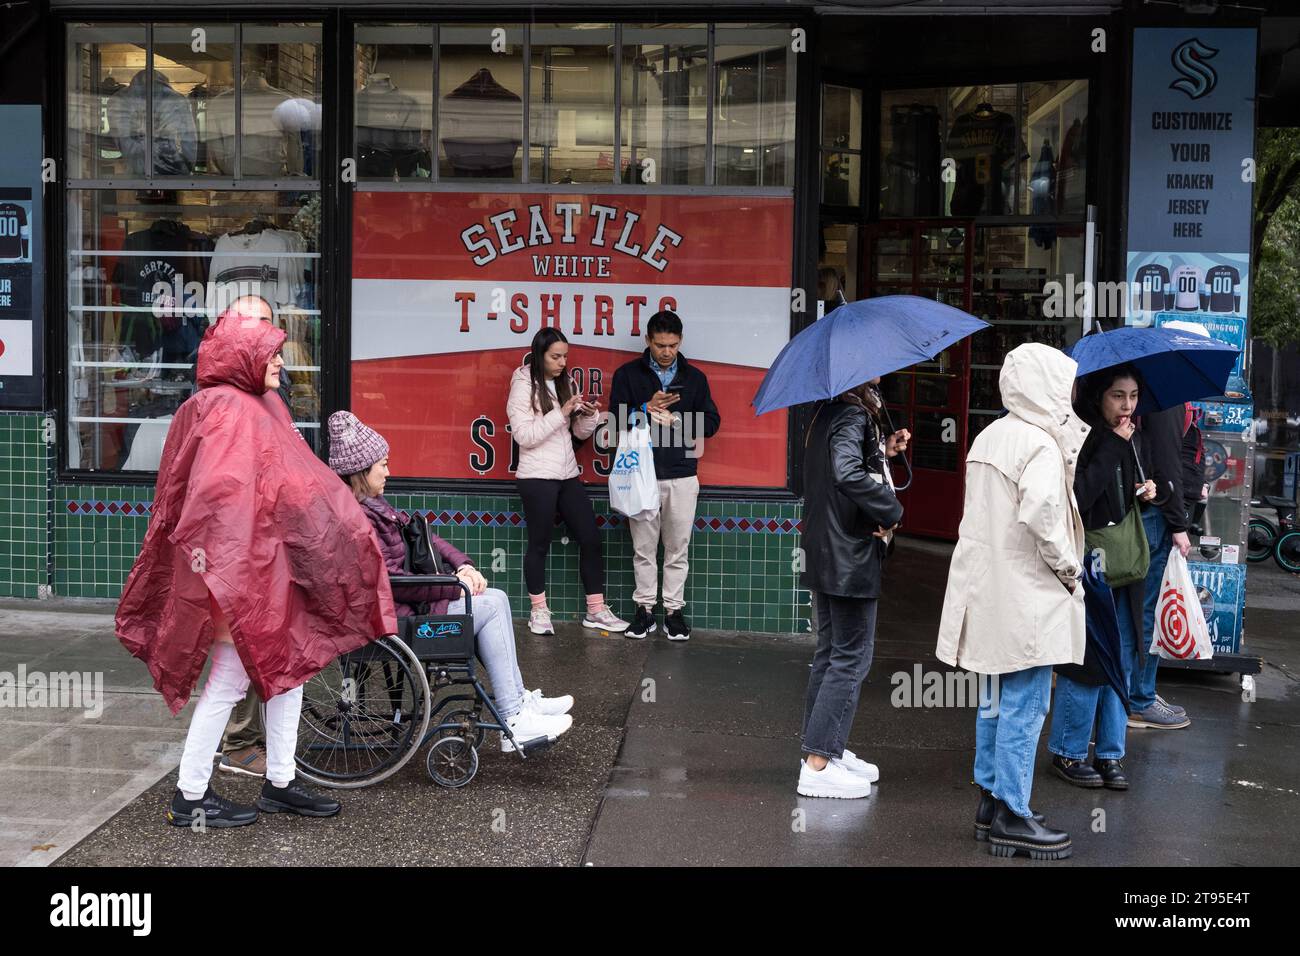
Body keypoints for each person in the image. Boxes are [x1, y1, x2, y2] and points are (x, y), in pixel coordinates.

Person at [116, 298, 395, 827]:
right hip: (242, 569)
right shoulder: (222, 408)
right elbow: (217, 498)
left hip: (269, 562)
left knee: (289, 671)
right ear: (245, 352)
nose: (281, 362)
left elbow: (283, 476)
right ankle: (190, 795)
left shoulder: (259, 403)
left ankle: (281, 783)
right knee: (229, 678)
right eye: (272, 352)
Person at [327, 410, 575, 750]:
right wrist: (453, 584)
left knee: (496, 599)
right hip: (394, 620)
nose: (388, 471)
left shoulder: (373, 506)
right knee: (488, 607)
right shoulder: (359, 521)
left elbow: (422, 534)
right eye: (382, 465)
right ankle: (514, 717)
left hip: (404, 606)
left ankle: (517, 702)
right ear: (360, 472)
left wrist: (463, 566)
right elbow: (390, 581)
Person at [936, 343, 1086, 860]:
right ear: (1048, 387)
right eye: (1065, 385)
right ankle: (1013, 813)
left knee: (996, 698)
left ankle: (991, 801)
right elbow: (1044, 521)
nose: (1072, 395)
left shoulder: (990, 435)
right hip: (1029, 590)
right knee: (1027, 702)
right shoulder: (1039, 444)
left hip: (991, 587)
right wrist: (1071, 572)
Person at [797, 376, 907, 799]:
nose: (880, 375)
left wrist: (883, 451)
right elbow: (846, 473)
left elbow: (844, 468)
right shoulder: (852, 413)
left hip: (827, 546)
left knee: (831, 653)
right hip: (848, 552)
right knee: (851, 657)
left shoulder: (826, 411)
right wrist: (890, 508)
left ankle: (823, 750)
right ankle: (819, 764)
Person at [1048, 365, 1156, 792]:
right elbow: (1080, 499)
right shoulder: (1087, 436)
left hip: (1124, 564)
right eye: (1117, 396)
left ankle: (1111, 753)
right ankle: (1069, 751)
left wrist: (1147, 492)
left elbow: (1118, 495)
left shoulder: (1131, 435)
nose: (1126, 405)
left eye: (1132, 396)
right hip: (1091, 564)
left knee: (1122, 658)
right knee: (1088, 659)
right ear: (1099, 398)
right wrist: (1113, 444)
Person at [507, 328, 628, 635]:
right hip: (536, 476)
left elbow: (577, 435)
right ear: (539, 354)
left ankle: (596, 611)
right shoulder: (523, 384)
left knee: (590, 538)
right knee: (539, 544)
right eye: (555, 356)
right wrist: (562, 412)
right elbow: (524, 435)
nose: (562, 362)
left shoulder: (567, 382)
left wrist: (588, 415)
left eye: (565, 356)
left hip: (567, 473)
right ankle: (539, 612)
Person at [609, 310, 721, 641]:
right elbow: (613, 421)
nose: (667, 352)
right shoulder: (628, 374)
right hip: (641, 473)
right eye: (660, 345)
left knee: (677, 548)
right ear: (647, 340)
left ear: (680, 341)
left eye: (672, 345)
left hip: (682, 473)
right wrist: (644, 409)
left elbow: (713, 424)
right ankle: (644, 611)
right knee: (643, 549)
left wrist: (678, 423)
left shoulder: (695, 378)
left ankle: (673, 611)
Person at [1128, 400, 1194, 731]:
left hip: (1140, 511)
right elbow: (1168, 465)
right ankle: (1139, 698)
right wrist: (1179, 524)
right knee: (1147, 612)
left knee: (1138, 610)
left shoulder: (1143, 393)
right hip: (1154, 515)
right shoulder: (1164, 399)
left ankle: (1136, 694)